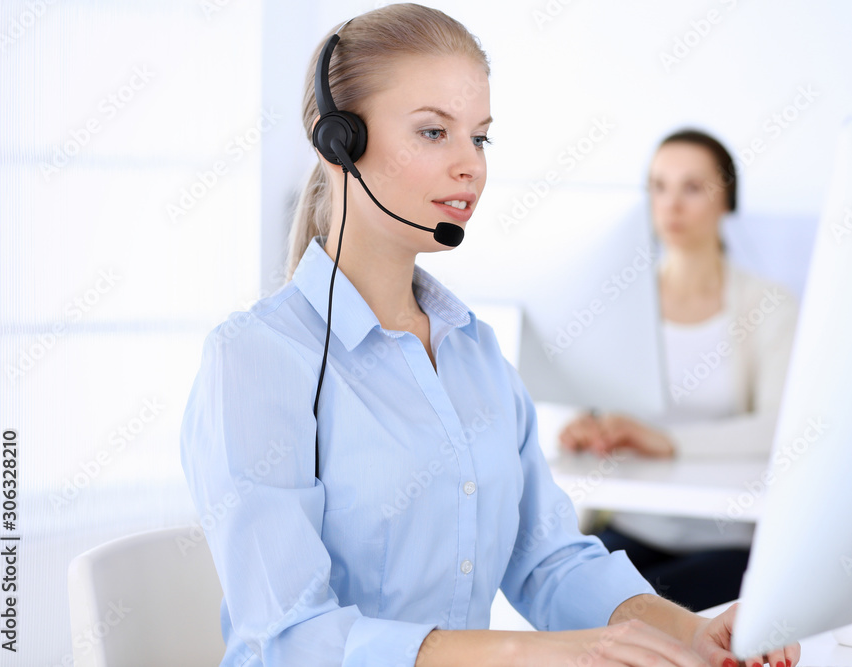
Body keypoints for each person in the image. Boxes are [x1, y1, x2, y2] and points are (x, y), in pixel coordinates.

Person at [179, 6, 800, 666]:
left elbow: (548, 559)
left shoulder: (473, 352)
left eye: (479, 138)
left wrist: (687, 630)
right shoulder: (257, 359)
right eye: (432, 131)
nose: (468, 165)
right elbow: (292, 637)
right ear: (338, 141)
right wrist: (549, 651)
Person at [559, 130, 800, 612]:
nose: (671, 205)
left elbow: (781, 428)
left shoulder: (769, 304)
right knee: (569, 601)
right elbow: (585, 403)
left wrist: (670, 442)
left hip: (727, 539)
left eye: (692, 188)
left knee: (644, 614)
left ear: (726, 200)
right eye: (659, 186)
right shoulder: (616, 300)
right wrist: (583, 428)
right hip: (632, 525)